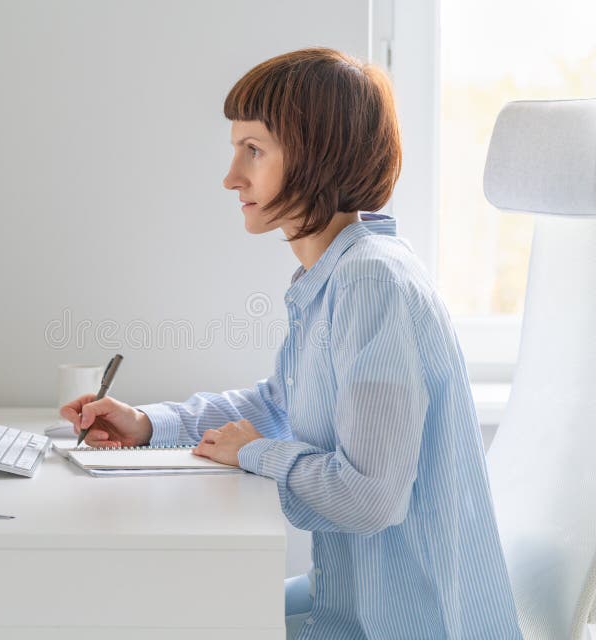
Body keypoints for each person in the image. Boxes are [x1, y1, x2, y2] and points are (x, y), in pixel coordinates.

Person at [61, 48, 522, 639]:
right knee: (176, 613)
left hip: (406, 623)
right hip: (354, 602)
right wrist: (148, 423)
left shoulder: (369, 282)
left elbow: (370, 499)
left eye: (253, 150)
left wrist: (254, 452)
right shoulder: (336, 273)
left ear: (315, 156)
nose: (231, 176)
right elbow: (281, 406)